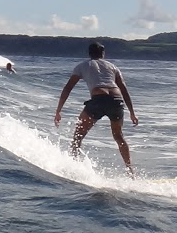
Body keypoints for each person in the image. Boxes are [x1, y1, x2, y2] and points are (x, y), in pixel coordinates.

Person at [54, 42, 138, 172]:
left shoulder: (82, 66)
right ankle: (130, 171)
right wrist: (132, 112)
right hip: (116, 101)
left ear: (89, 53)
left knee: (78, 135)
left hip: (98, 101)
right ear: (103, 54)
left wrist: (58, 111)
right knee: (118, 136)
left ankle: (73, 168)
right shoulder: (113, 67)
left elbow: (68, 88)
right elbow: (124, 89)